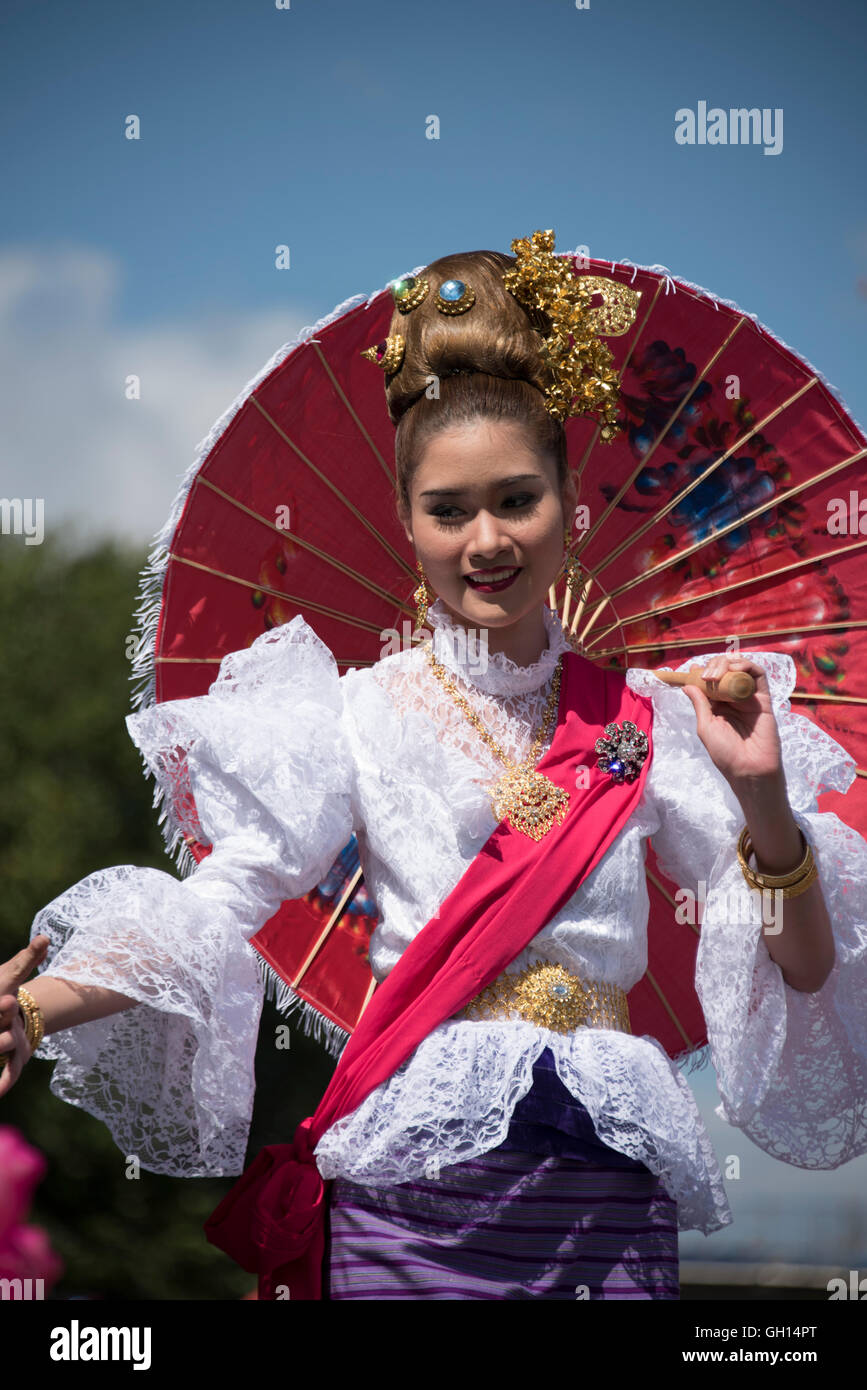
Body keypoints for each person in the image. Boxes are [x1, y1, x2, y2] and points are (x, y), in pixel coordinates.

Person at [1, 240, 865, 1302]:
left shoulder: (652, 718)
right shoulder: (355, 712)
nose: (487, 539)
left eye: (518, 500)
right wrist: (36, 1007)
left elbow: (810, 967)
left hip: (608, 1195)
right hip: (413, 1193)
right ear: (408, 524)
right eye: (450, 510)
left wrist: (762, 792)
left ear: (568, 508)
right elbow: (219, 899)